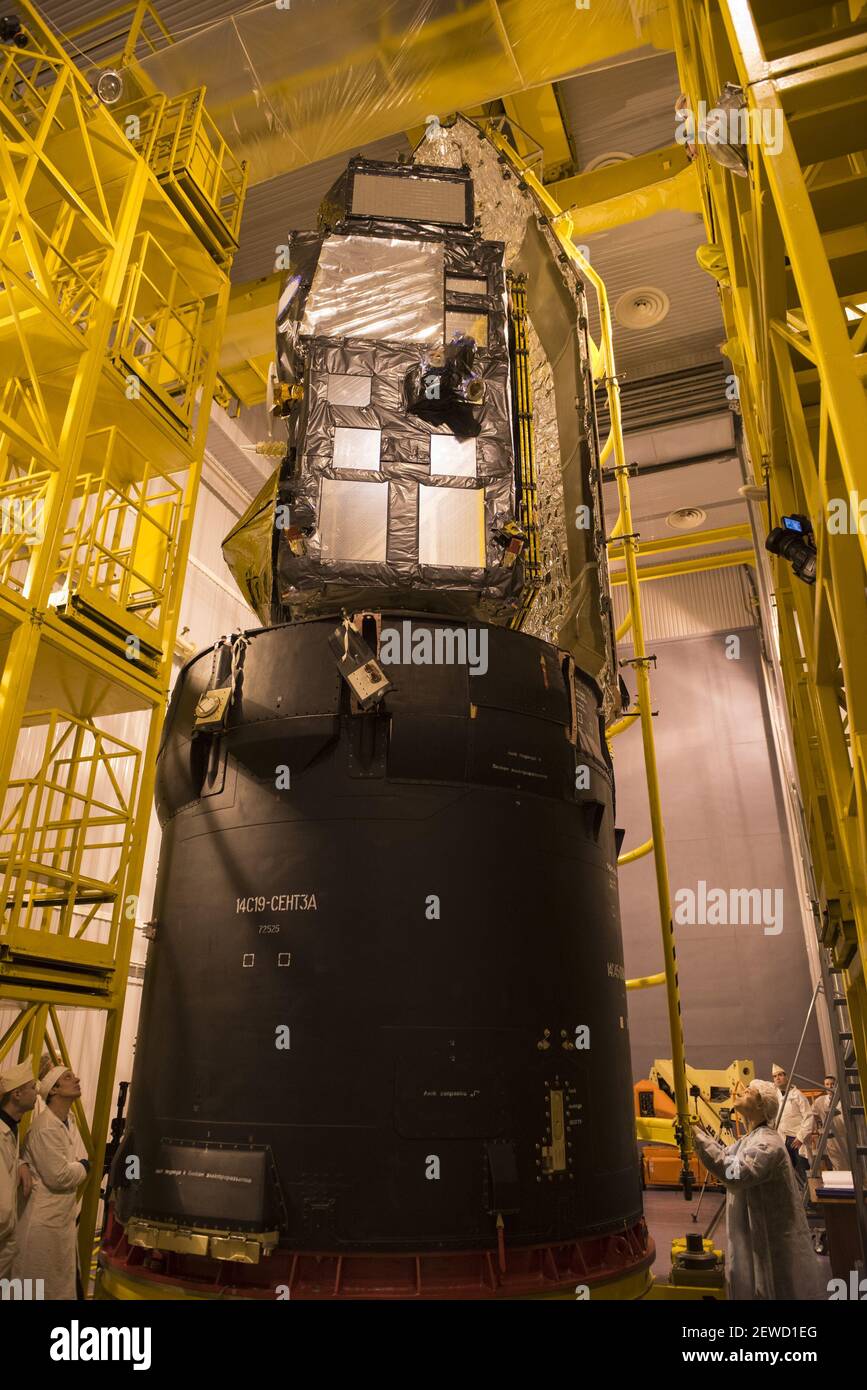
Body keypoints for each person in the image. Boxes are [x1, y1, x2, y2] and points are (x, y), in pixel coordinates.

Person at [692, 1078, 826, 1299]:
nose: (741, 1092)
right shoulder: (751, 1139)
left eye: (748, 1091)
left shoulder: (768, 1144)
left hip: (772, 1244)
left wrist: (697, 1137)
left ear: (761, 1105)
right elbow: (726, 1155)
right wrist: (698, 1133)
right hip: (757, 1238)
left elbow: (734, 1172)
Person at [13, 1060, 90, 1299]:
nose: (76, 1080)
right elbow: (59, 1176)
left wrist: (74, 1167)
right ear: (53, 1090)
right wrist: (85, 1167)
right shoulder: (46, 1127)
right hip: (43, 1224)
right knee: (35, 1289)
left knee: (52, 1286)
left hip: (58, 1222)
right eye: (68, 1077)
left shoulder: (67, 1122)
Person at [0, 1059, 37, 1279]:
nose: (36, 1092)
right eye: (32, 1087)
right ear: (17, 1094)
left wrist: (21, 1163)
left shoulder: (11, 1129)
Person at [771, 1063, 812, 1184]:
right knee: (787, 1174)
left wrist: (800, 1137)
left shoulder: (797, 1095)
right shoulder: (775, 1096)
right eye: (774, 1076)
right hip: (782, 1140)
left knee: (802, 1171)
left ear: (786, 1077)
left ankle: (808, 1200)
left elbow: (808, 1116)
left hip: (796, 1140)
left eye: (780, 1075)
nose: (777, 1078)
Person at [803, 1076, 847, 1171]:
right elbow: (811, 1116)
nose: (830, 1086)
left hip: (845, 1135)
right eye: (827, 1084)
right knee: (837, 1164)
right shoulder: (820, 1101)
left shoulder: (844, 1099)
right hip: (831, 1137)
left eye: (832, 1084)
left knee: (848, 1161)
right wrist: (810, 1131)